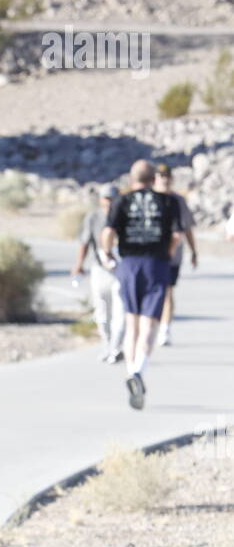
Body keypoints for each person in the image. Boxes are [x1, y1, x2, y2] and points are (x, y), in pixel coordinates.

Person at [100, 159, 182, 410]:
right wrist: (167, 253)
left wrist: (109, 255)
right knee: (150, 324)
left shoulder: (122, 201)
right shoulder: (167, 201)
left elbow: (107, 234)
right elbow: (177, 235)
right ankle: (138, 370)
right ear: (153, 177)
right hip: (156, 264)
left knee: (131, 321)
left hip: (129, 264)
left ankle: (129, 372)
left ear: (132, 177)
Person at [71, 183, 125, 363]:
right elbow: (85, 242)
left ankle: (116, 348)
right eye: (106, 198)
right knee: (102, 310)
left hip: (120, 269)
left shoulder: (125, 217)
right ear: (101, 200)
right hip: (99, 269)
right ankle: (107, 344)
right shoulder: (93, 218)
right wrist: (79, 264)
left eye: (113, 199)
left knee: (120, 311)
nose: (109, 202)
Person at [153, 162, 197, 346]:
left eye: (167, 176)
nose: (165, 179)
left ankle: (164, 329)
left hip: (173, 255)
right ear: (155, 178)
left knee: (167, 291)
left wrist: (194, 251)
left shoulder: (178, 201)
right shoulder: (149, 199)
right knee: (153, 292)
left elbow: (186, 228)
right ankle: (152, 325)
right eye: (161, 176)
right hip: (151, 252)